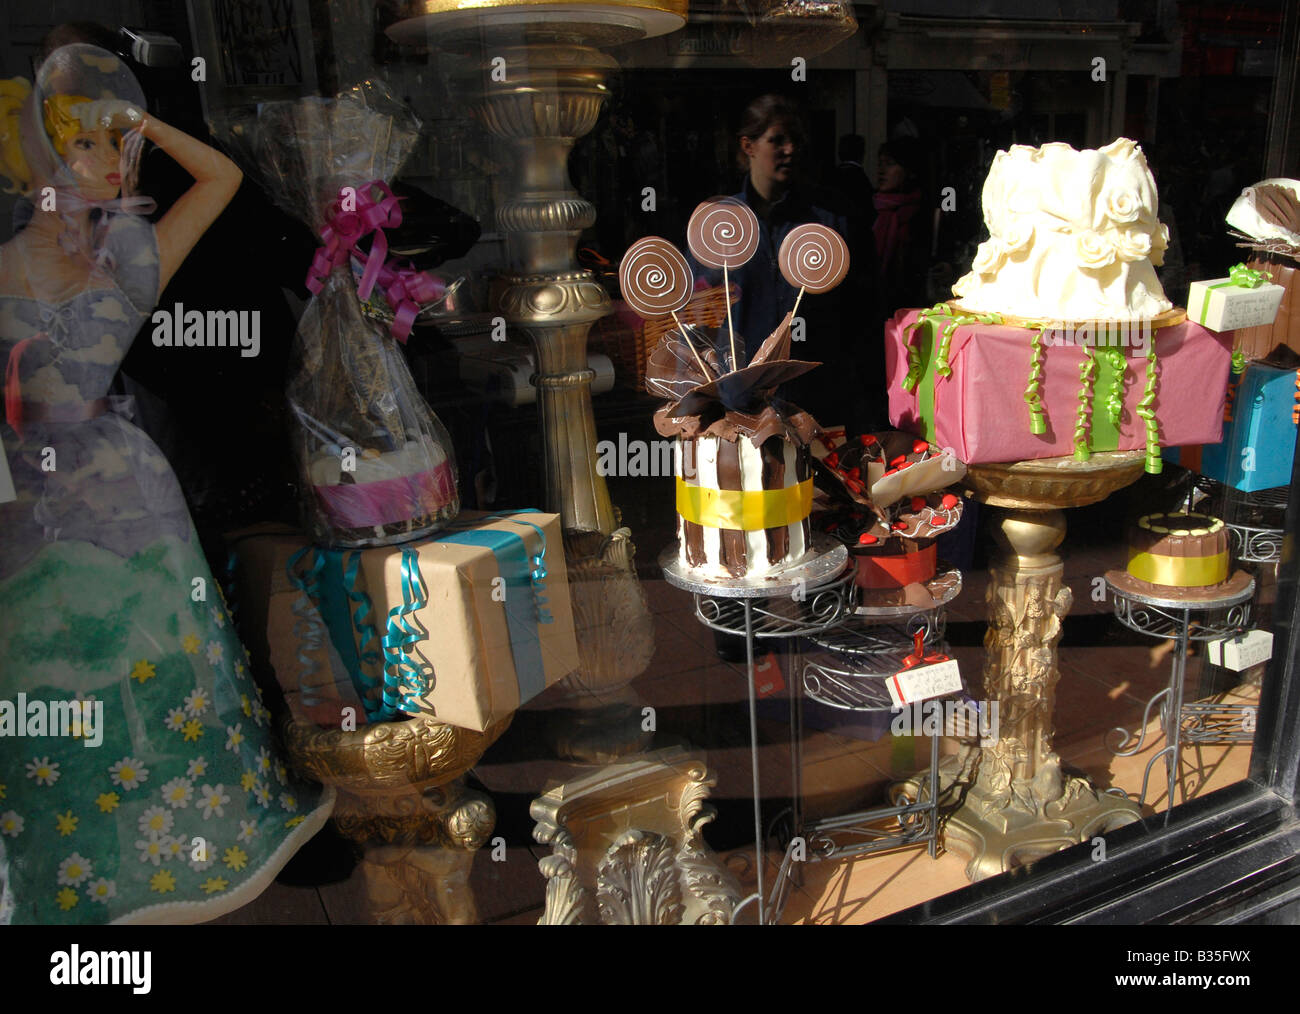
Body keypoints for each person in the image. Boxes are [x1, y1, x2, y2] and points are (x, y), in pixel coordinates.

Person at [0, 44, 332, 924]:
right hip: (36, 499)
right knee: (54, 675)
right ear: (36, 156)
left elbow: (218, 178)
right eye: (86, 149)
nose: (114, 166)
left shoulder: (129, 251)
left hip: (124, 490)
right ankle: (73, 863)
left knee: (151, 662)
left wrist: (128, 118)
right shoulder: (53, 263)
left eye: (119, 151)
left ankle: (184, 841)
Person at [686, 94, 882, 434]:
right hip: (740, 405)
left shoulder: (830, 219)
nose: (790, 149)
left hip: (820, 402)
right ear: (748, 145)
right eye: (777, 140)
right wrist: (700, 397)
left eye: (796, 140)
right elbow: (696, 316)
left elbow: (864, 310)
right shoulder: (718, 224)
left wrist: (865, 401)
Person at [873, 136, 934, 316]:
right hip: (873, 309)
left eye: (890, 164)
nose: (881, 170)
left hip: (912, 310)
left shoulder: (921, 213)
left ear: (909, 171)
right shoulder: (870, 209)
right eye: (880, 163)